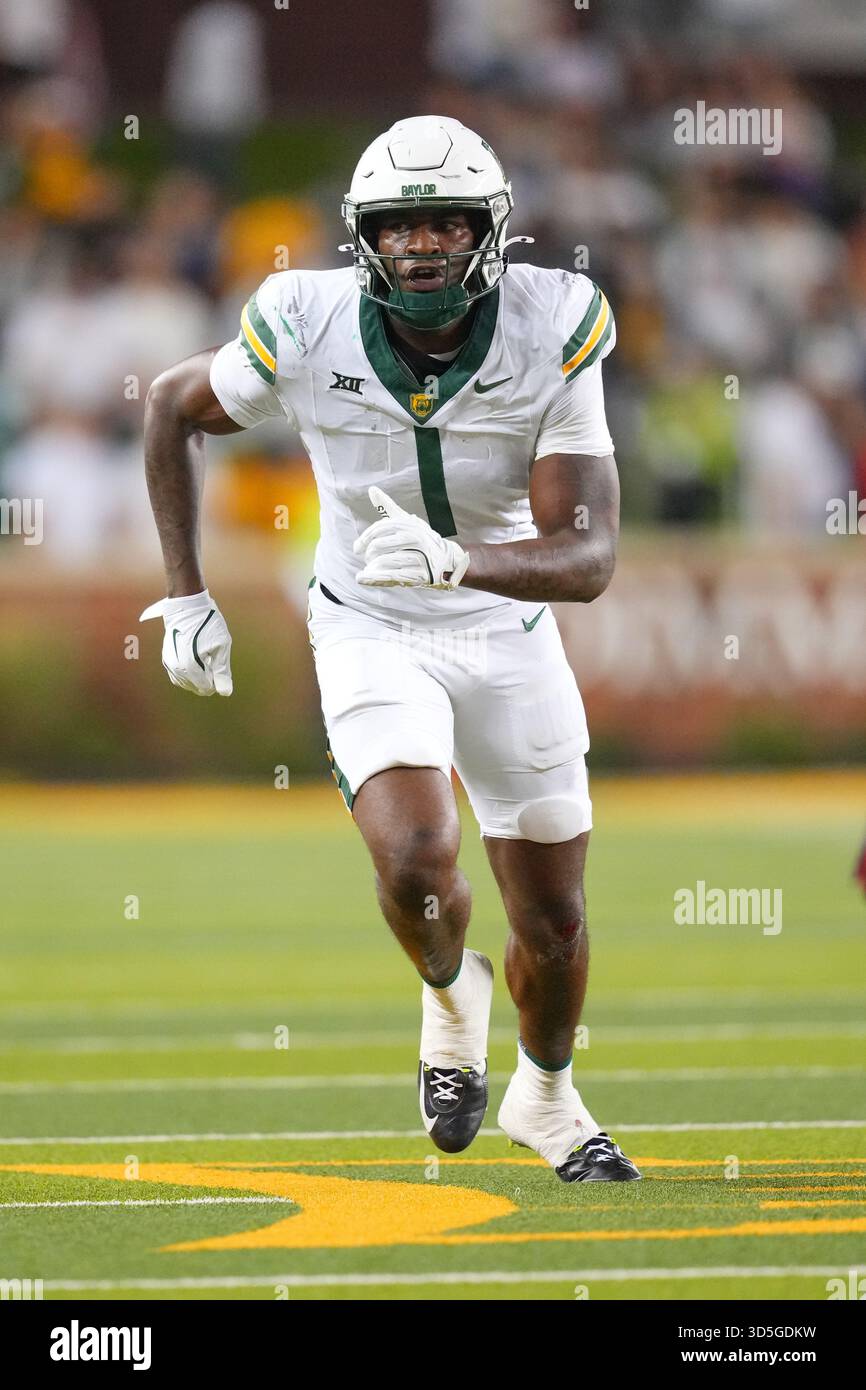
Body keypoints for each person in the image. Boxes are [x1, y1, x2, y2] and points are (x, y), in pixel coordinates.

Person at [141, 115, 640, 1182]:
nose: (420, 246)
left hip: (503, 624)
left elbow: (589, 553)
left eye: (444, 223)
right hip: (366, 619)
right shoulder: (304, 317)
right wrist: (184, 594)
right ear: (362, 236)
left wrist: (461, 560)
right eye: (399, 226)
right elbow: (172, 407)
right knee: (417, 857)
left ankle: (546, 1095)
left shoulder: (552, 320)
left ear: (487, 230)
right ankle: (447, 988)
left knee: (552, 915)